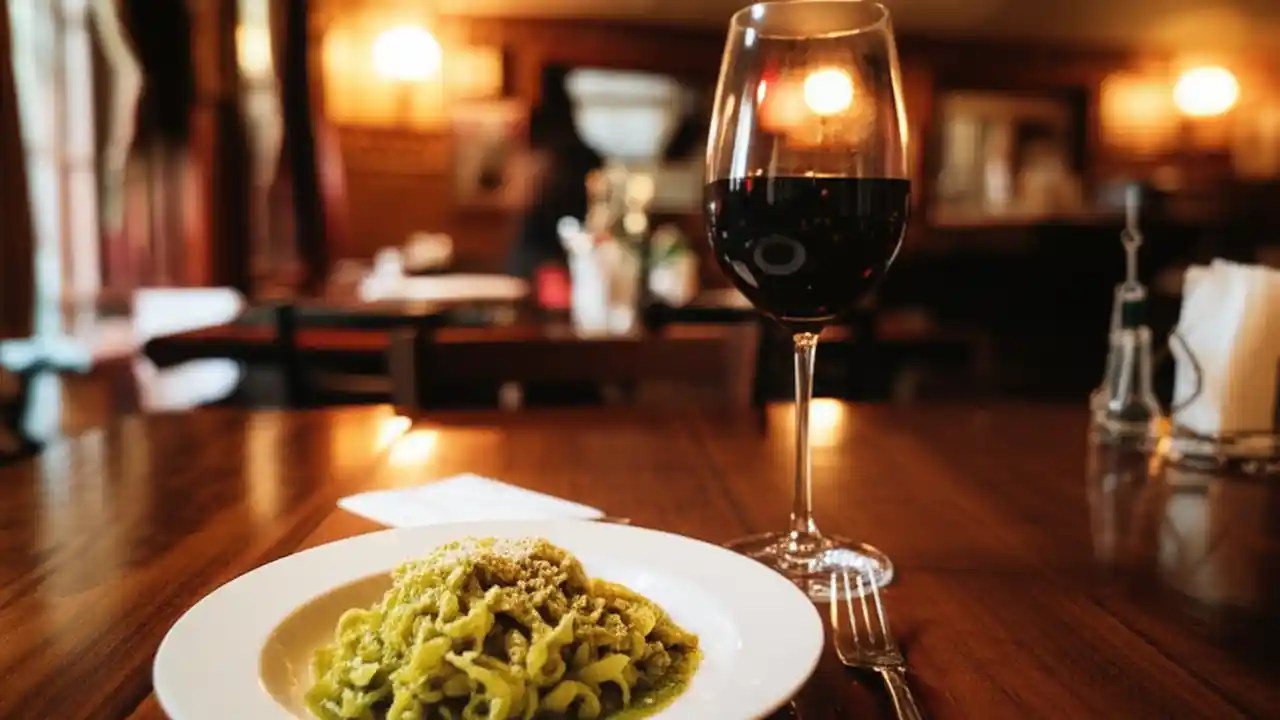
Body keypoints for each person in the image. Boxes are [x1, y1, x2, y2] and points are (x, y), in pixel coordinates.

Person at [506, 67, 603, 279]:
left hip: (548, 248)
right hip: (551, 248)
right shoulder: (582, 151)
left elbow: (519, 197)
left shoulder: (545, 141)